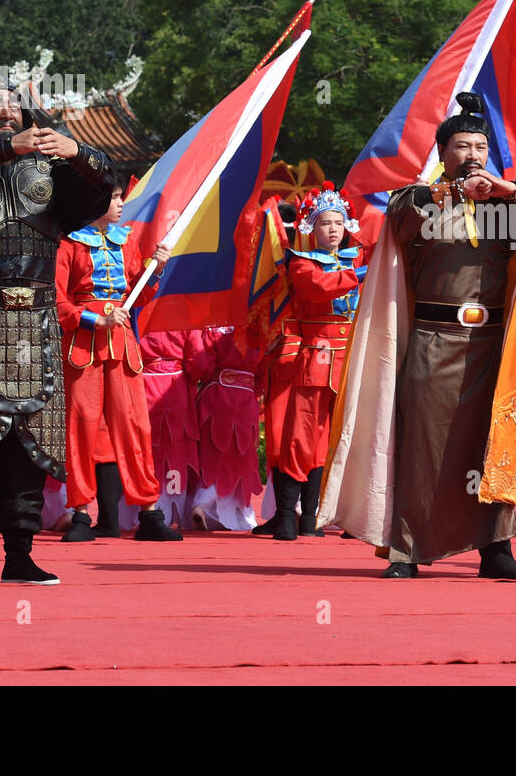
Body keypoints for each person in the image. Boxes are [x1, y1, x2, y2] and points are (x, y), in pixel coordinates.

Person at [319, 91, 516, 578]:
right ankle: (407, 550)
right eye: (461, 146)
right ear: (442, 154)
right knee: (424, 447)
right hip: (435, 341)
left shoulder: (510, 209)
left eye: (479, 146)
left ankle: (497, 550)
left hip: (499, 345)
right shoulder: (419, 204)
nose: (472, 155)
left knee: (498, 443)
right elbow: (398, 212)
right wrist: (455, 192)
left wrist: (510, 191)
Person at [0, 66, 117, 586]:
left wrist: (78, 153)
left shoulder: (51, 177)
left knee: (30, 437)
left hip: (35, 319)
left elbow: (105, 185)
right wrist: (6, 150)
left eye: (13, 102)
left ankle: (21, 554)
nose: (6, 111)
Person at [55, 178, 177, 542]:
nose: (121, 203)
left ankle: (149, 510)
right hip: (83, 344)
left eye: (121, 196)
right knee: (81, 425)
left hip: (122, 344)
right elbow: (56, 301)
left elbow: (137, 293)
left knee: (135, 424)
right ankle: (79, 512)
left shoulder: (127, 243)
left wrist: (155, 270)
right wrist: (95, 319)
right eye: (113, 197)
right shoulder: (68, 244)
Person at [257, 182, 365, 541]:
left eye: (338, 222)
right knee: (303, 439)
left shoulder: (357, 258)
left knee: (343, 438)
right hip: (315, 356)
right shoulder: (301, 263)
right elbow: (320, 288)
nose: (332, 229)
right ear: (311, 229)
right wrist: (362, 275)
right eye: (324, 223)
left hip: (351, 357)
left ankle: (318, 516)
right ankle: (287, 515)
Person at [190, 325, 263, 531]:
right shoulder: (259, 329)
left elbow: (201, 365)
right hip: (245, 396)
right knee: (240, 459)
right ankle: (234, 514)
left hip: (217, 394)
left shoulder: (214, 328)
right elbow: (263, 371)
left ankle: (202, 503)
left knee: (210, 456)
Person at [139, 328, 206, 528]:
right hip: (175, 387)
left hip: (143, 384)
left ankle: (145, 507)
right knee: (176, 454)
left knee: (145, 451)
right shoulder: (183, 315)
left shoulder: (136, 311)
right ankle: (173, 510)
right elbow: (199, 362)